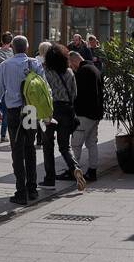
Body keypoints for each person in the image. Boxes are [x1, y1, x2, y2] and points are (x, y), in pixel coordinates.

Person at [0, 35, 43, 205]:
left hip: (14, 112)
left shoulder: (6, 65)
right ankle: (32, 189)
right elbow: (45, 87)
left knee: (17, 150)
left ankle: (21, 191)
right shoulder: (34, 63)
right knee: (30, 148)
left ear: (12, 47)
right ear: (27, 47)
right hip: (30, 110)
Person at [42, 43, 80, 188]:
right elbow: (74, 94)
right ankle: (75, 168)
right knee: (65, 146)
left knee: (48, 145)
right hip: (66, 110)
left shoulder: (46, 72)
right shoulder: (69, 72)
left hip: (50, 110)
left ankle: (50, 179)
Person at [68, 46, 104, 183]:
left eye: (70, 65)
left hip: (84, 114)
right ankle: (92, 171)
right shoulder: (94, 68)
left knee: (76, 144)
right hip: (95, 113)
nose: (71, 68)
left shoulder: (82, 72)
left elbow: (77, 95)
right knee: (91, 143)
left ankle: (73, 171)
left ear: (74, 61)